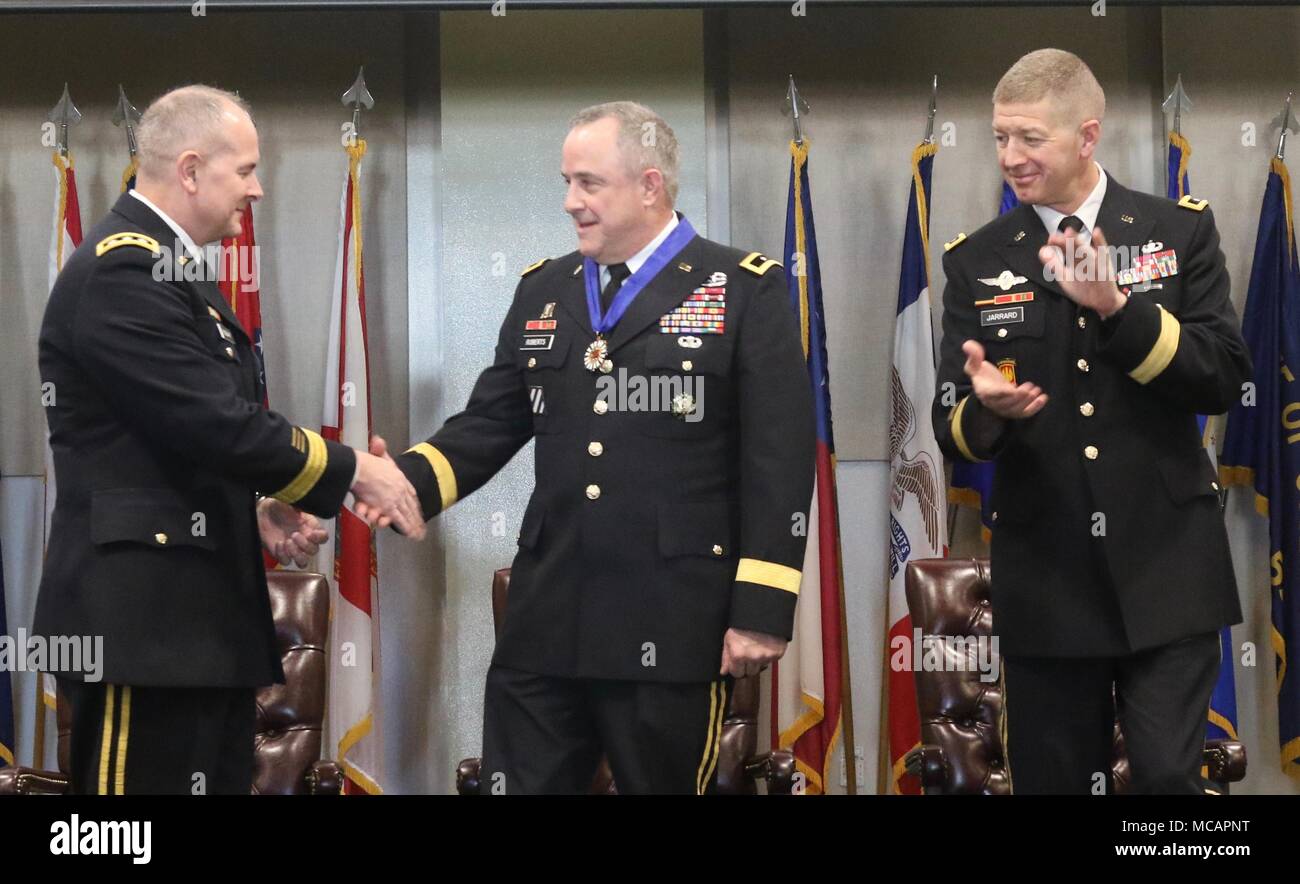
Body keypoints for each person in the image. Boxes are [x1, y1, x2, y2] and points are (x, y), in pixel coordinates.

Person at [375, 101, 814, 794]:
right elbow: (489, 425)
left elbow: (780, 460)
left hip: (672, 619)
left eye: (588, 183)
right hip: (548, 618)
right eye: (566, 182)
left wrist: (762, 609)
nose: (569, 202)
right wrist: (395, 480)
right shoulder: (543, 291)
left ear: (649, 185)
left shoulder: (741, 289)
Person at [35, 85, 423, 795]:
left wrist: (251, 511)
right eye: (244, 170)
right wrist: (357, 474)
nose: (259, 189)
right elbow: (213, 420)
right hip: (141, 629)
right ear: (189, 170)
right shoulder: (124, 269)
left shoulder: (173, 272)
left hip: (194, 625)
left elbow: (172, 441)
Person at [932, 49, 1251, 794]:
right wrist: (986, 410)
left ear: (1086, 135)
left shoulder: (1179, 232)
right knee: (1054, 780)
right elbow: (951, 419)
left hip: (1167, 565)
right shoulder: (976, 261)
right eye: (1000, 137)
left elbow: (1224, 376)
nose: (1011, 157)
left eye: (1030, 138)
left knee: (1171, 779)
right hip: (1047, 572)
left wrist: (1119, 308)